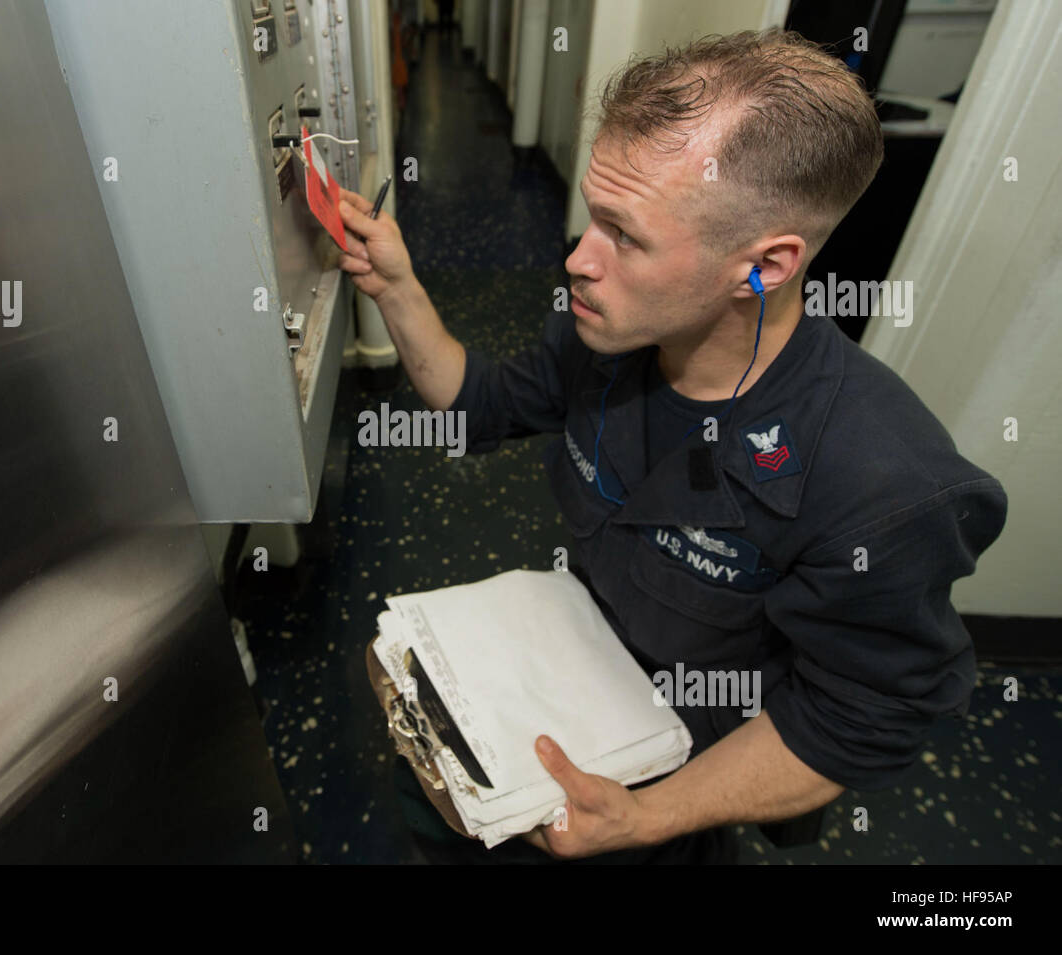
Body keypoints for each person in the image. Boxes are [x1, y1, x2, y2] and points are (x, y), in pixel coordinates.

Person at [337, 28, 1008, 863]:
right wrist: (397, 287)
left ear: (764, 267)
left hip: (673, 774)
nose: (578, 258)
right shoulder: (609, 332)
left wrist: (643, 820)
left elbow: (852, 723)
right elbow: (480, 406)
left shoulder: (884, 482)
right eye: (591, 215)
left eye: (625, 233)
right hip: (559, 669)